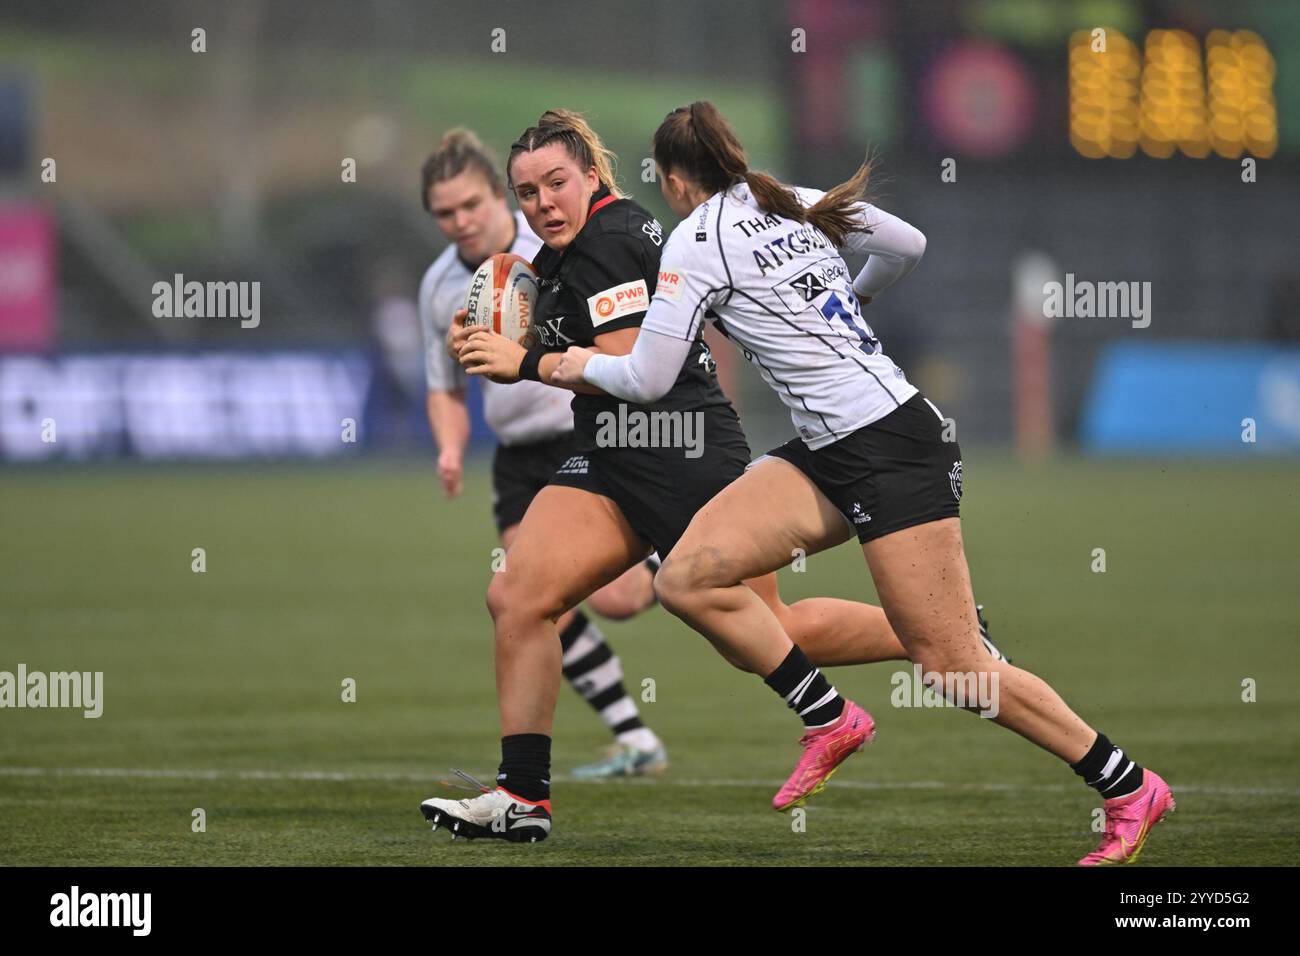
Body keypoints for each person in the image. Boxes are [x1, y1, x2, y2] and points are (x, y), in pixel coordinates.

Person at [554, 101, 1174, 866]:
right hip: (836, 443)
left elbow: (646, 380)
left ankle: (1128, 786)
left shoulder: (695, 239)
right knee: (689, 575)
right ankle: (829, 717)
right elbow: (906, 244)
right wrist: (859, 298)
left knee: (954, 670)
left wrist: (561, 363)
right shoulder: (794, 199)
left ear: (673, 180)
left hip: (890, 448)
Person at [419, 110, 1008, 844]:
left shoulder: (609, 240)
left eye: (556, 184)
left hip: (679, 448)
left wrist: (524, 358)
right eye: (527, 192)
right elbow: (562, 332)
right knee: (518, 597)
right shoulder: (565, 251)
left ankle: (933, 643)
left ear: (592, 177)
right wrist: (491, 334)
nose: (541, 203)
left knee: (770, 626)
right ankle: (523, 797)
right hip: (609, 453)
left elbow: (631, 366)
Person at [417, 128, 666, 779]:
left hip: (578, 437)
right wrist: (449, 448)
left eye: (471, 204)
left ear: (499, 196)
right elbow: (443, 386)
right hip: (516, 457)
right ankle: (633, 738)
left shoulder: (556, 244)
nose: (461, 222)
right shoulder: (440, 286)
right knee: (524, 601)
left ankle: (690, 560)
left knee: (618, 599)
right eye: (445, 213)